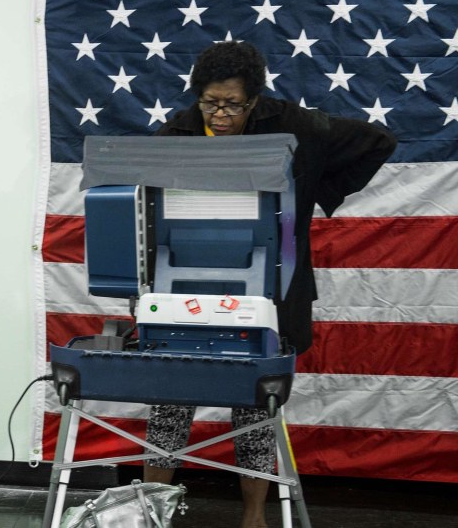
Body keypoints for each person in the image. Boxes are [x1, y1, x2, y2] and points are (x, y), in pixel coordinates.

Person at [146, 41, 396, 528]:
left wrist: (316, 191)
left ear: (254, 99)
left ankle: (255, 516)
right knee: (171, 399)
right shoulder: (176, 131)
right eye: (210, 102)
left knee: (255, 405)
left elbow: (378, 142)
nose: (219, 114)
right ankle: (152, 509)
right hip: (190, 286)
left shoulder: (295, 126)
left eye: (232, 104)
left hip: (272, 288)